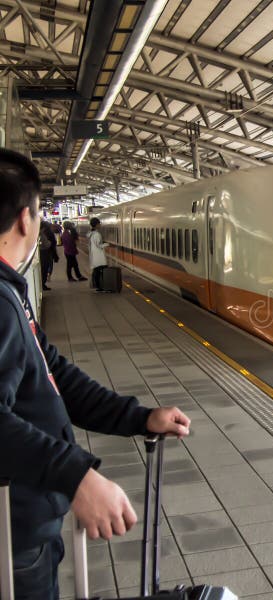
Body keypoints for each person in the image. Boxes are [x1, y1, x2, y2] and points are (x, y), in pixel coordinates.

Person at [0, 149, 191, 600]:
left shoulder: (9, 291)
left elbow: (54, 373)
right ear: (27, 220)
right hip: (13, 533)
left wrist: (137, 417)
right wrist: (78, 476)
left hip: (26, 522)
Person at [88, 217, 108, 290]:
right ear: (96, 225)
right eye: (99, 223)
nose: (100, 225)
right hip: (98, 256)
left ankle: (97, 286)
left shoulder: (91, 233)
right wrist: (107, 244)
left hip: (94, 255)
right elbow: (99, 245)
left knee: (96, 271)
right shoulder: (96, 234)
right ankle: (99, 287)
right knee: (99, 271)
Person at [38, 221, 57, 290]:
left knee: (44, 268)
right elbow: (48, 244)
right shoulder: (43, 234)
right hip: (45, 253)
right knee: (45, 268)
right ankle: (43, 283)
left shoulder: (38, 233)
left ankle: (43, 283)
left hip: (41, 253)